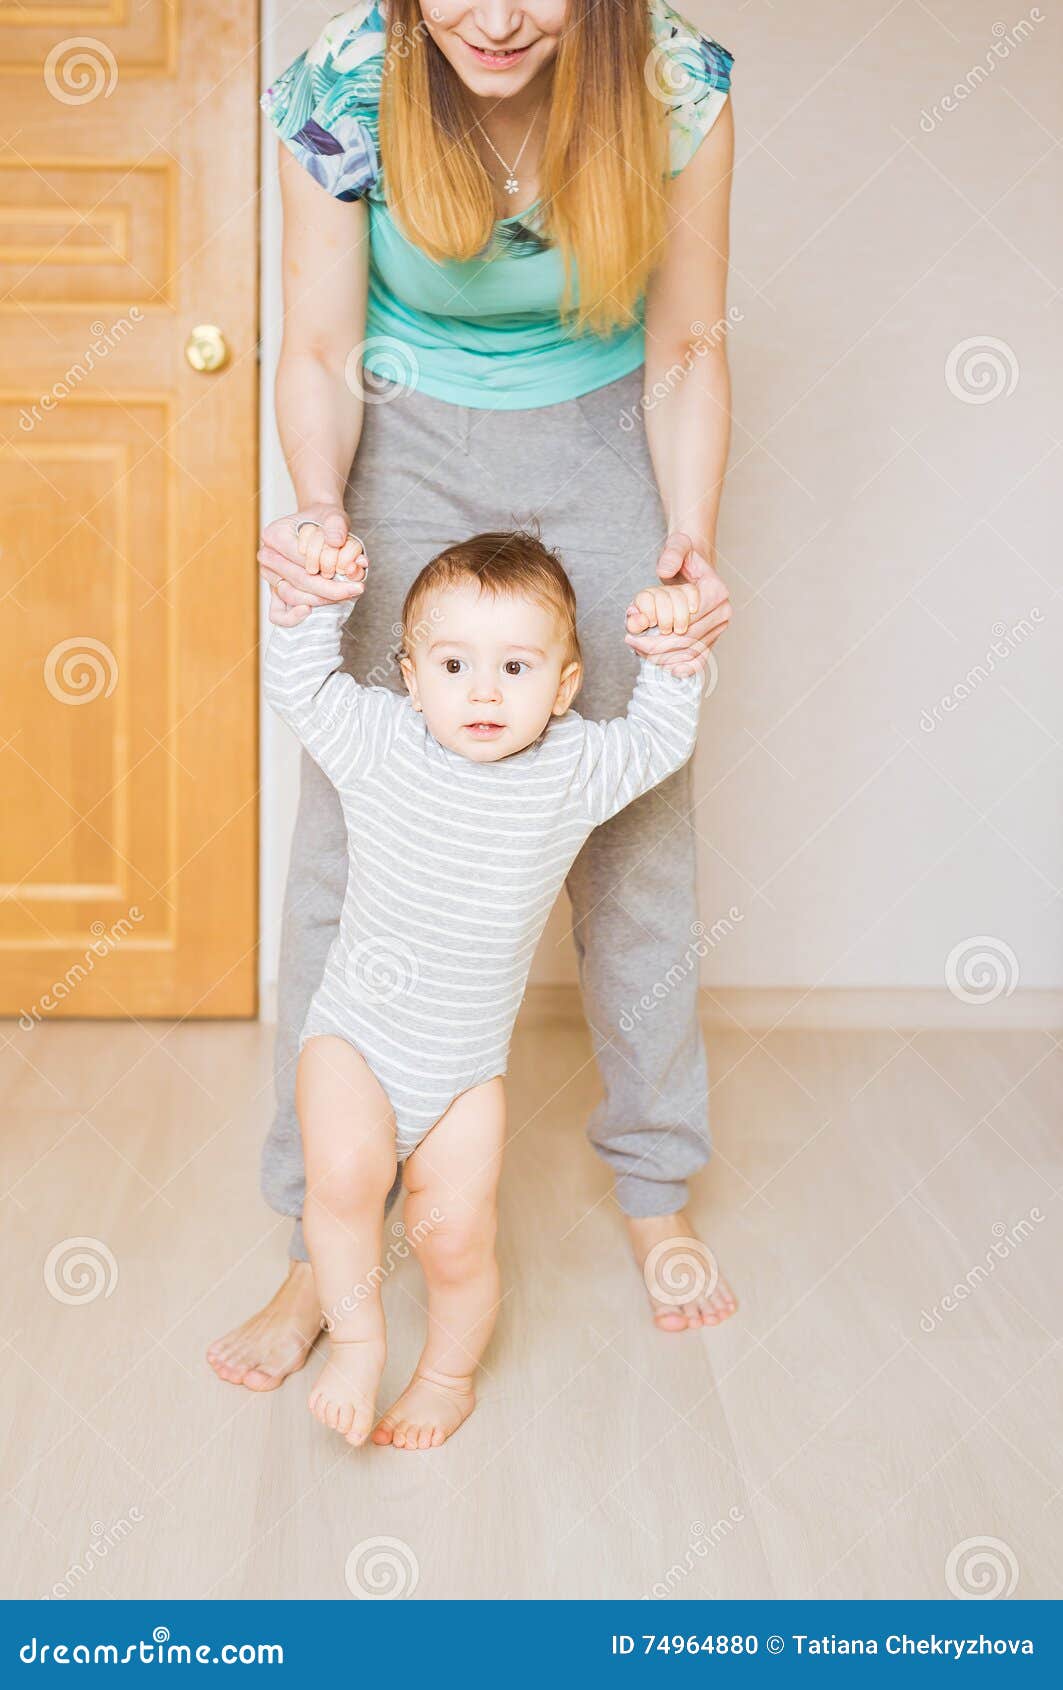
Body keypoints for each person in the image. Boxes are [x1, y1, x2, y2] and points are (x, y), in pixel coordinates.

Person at [208, 0, 738, 1393]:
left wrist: (686, 533)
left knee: (635, 842)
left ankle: (653, 1193)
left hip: (604, 430)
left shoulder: (674, 82)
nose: (495, 18)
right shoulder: (334, 83)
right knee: (349, 841)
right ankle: (315, 1240)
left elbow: (685, 343)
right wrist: (318, 510)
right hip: (402, 430)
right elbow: (317, 348)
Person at [263, 531, 710, 1447]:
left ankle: (445, 1374)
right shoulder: (379, 740)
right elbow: (300, 687)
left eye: (516, 666)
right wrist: (322, 603)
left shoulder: (576, 768)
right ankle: (355, 1340)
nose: (483, 690)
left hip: (465, 1070)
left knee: (454, 1236)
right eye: (454, 664)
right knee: (344, 1181)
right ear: (409, 674)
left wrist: (672, 653)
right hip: (353, 1035)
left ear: (566, 686)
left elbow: (662, 737)